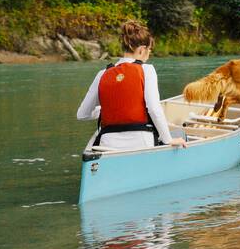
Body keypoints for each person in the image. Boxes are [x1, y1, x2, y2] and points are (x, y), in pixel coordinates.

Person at [77, 20, 187, 151]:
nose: (149, 54)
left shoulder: (102, 74)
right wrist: (168, 140)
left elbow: (82, 114)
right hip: (141, 143)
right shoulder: (147, 70)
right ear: (142, 50)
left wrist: (105, 110)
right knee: (181, 135)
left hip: (107, 146)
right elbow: (154, 109)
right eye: (149, 50)